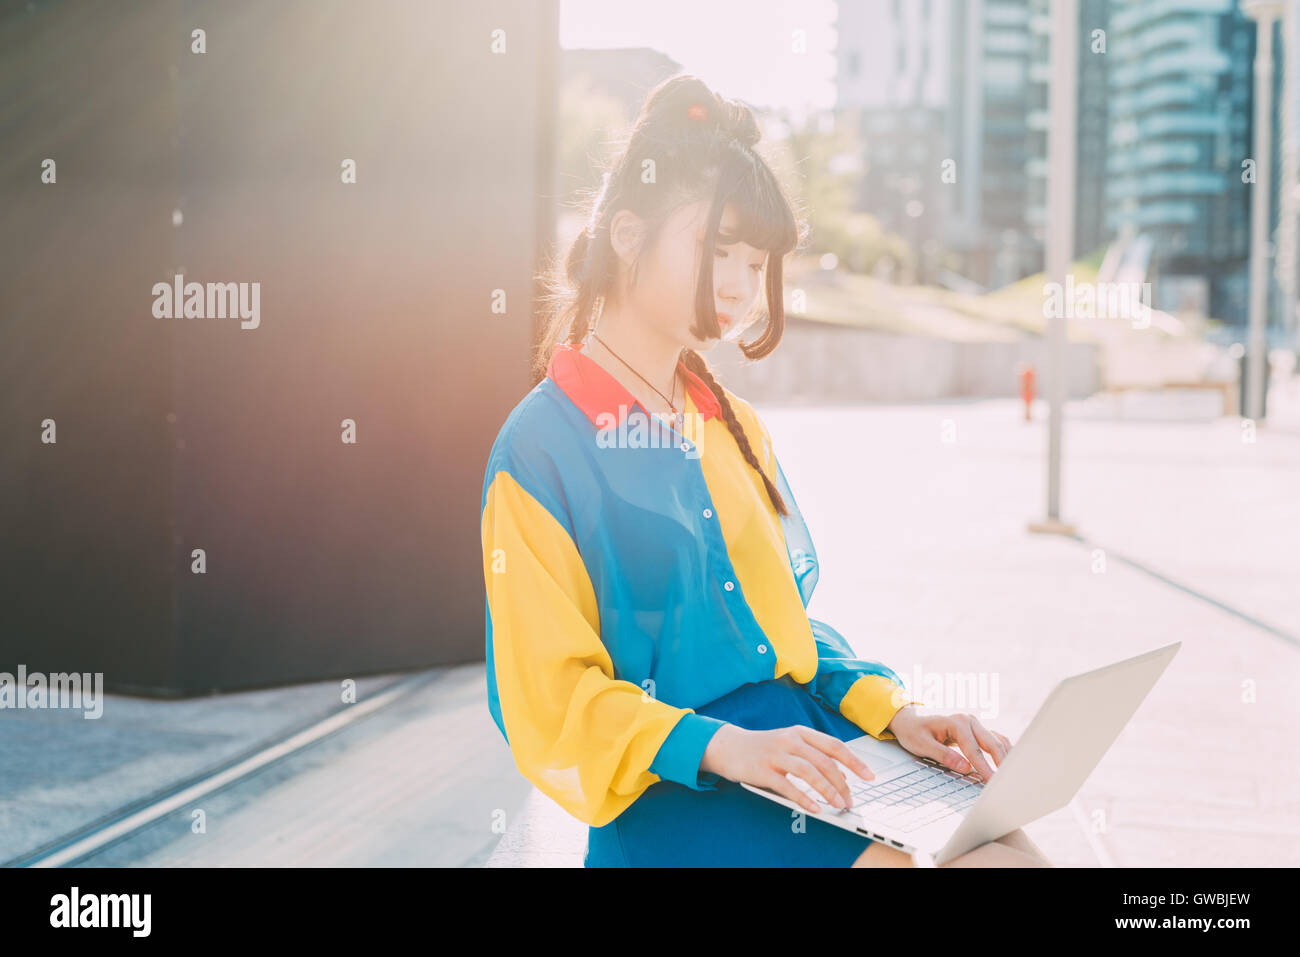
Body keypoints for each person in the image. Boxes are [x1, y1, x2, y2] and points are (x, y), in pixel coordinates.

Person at [480, 75, 1050, 868]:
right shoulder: (540, 448)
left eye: (757, 261)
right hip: (678, 788)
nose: (743, 286)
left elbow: (778, 629)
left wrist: (896, 713)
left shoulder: (732, 424)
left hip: (801, 747)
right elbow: (549, 699)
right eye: (718, 250)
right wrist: (724, 747)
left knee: (1007, 848)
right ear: (627, 234)